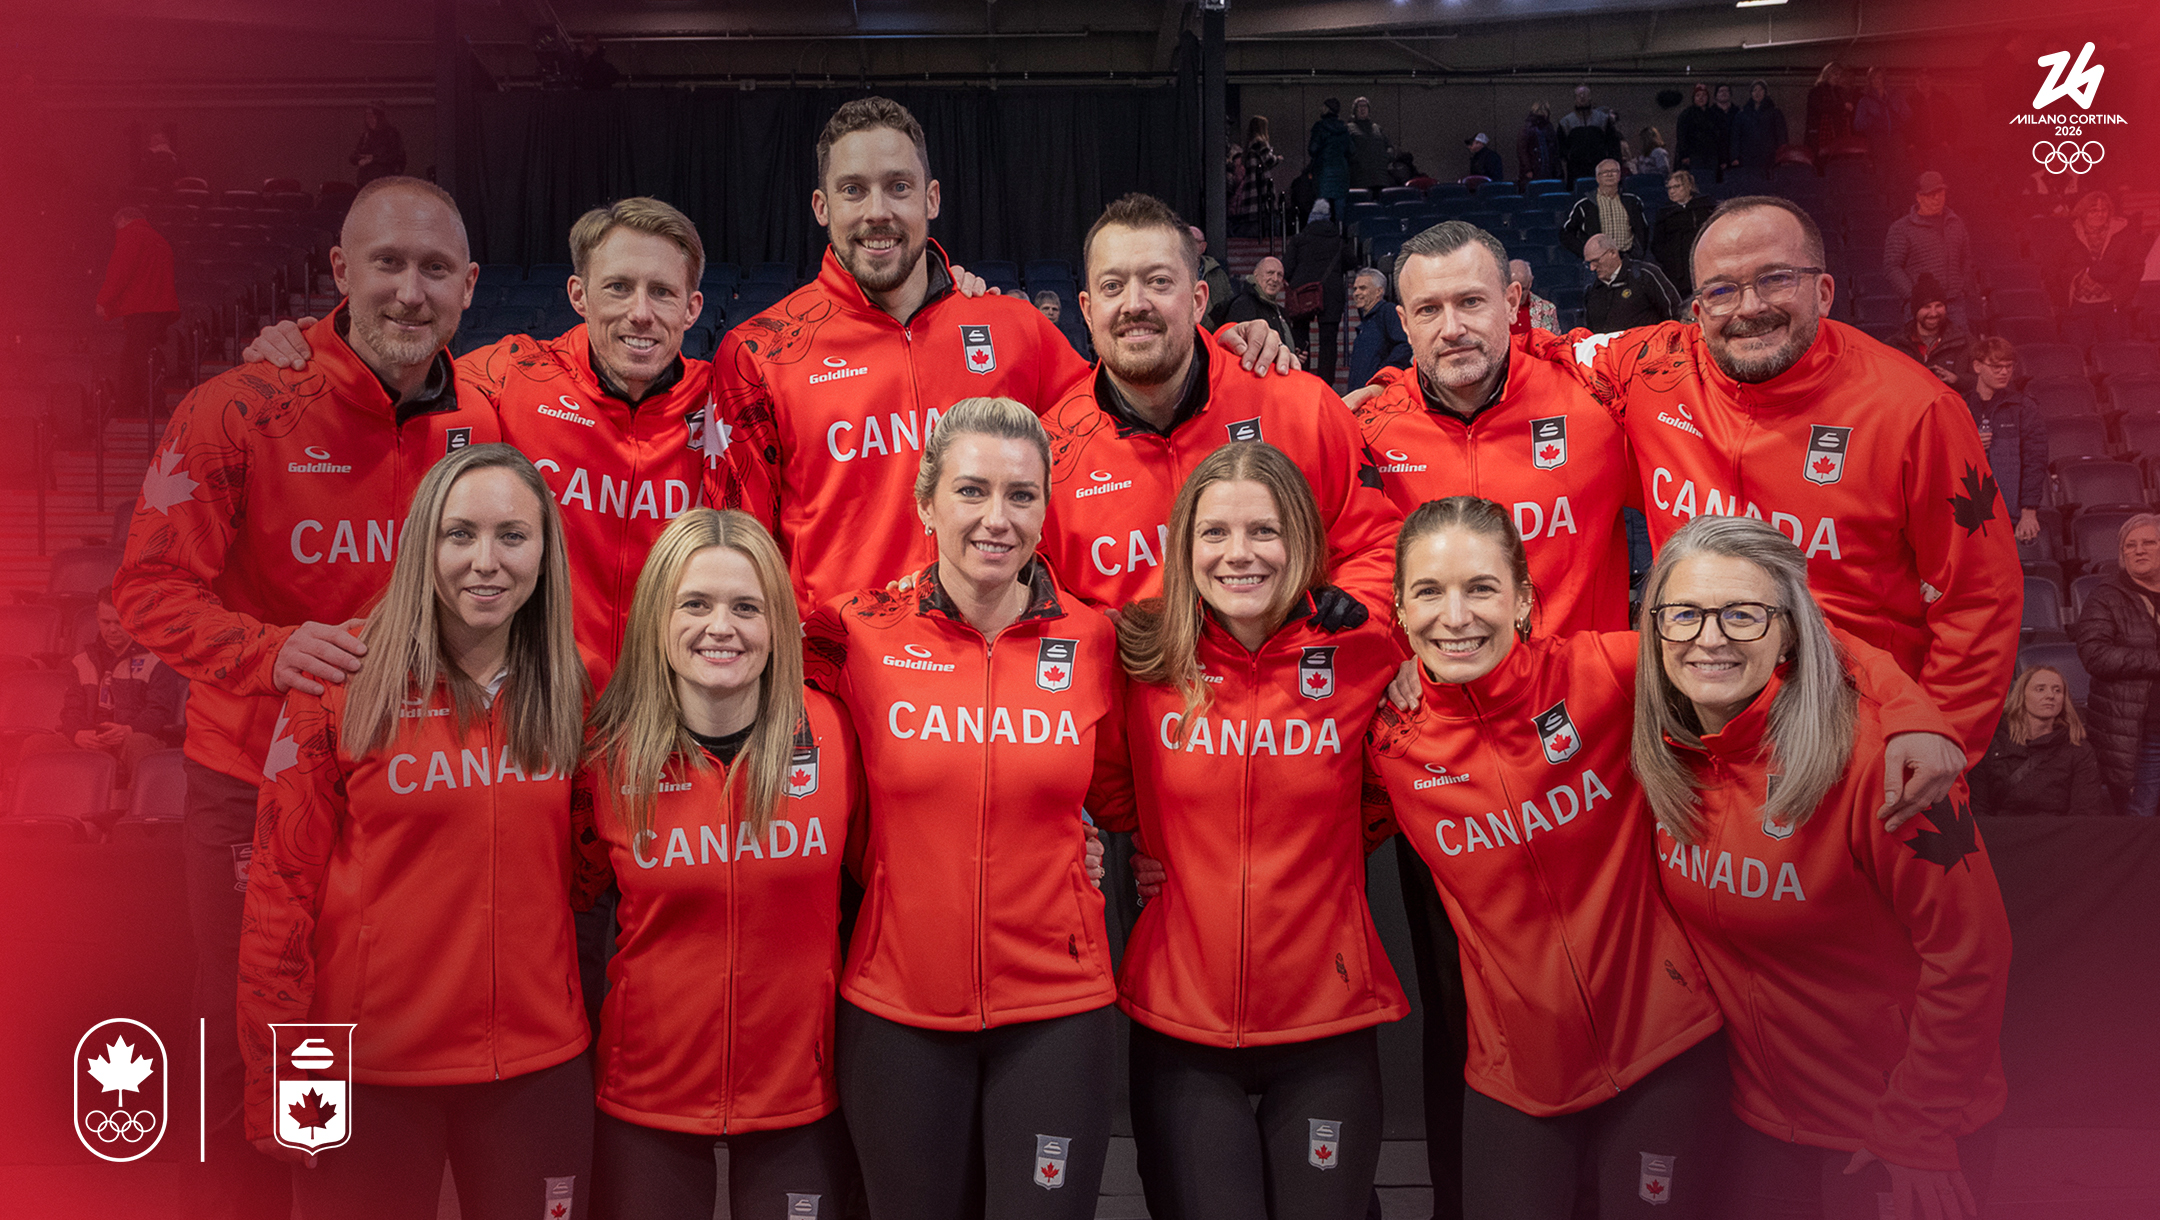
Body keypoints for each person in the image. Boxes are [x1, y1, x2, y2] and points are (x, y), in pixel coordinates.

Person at [1371, 498, 1962, 1220]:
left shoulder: (1604, 674)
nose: (1456, 616)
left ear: (1524, 597)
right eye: (1430, 592)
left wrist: (1915, 712)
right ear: (1399, 609)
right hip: (1514, 1078)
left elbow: (1792, 630)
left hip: (1667, 1056)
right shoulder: (1387, 744)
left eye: (1482, 588)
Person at [114, 174, 501, 1220]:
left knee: (350, 1035)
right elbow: (146, 590)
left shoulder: (491, 415)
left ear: (468, 289)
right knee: (257, 1038)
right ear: (339, 272)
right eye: (386, 264)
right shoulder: (239, 407)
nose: (408, 293)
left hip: (409, 789)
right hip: (251, 779)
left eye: (433, 271)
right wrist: (269, 651)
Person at [709, 97, 1287, 616]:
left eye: (899, 187)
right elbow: (738, 545)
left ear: (932, 198)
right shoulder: (761, 355)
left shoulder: (1011, 330)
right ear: (820, 205)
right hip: (835, 675)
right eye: (853, 189)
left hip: (998, 672)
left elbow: (1130, 415)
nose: (877, 211)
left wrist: (1227, 349)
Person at [237, 444, 593, 1217]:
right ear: (423, 544)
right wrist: (282, 1071)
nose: (485, 562)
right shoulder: (342, 682)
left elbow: (592, 869)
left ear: (544, 552)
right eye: (459, 534)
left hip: (535, 1067)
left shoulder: (575, 683)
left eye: (512, 536)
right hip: (367, 1072)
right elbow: (279, 889)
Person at [803, 397, 1129, 1218]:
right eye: (971, 491)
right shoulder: (853, 633)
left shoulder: (1093, 641)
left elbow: (1126, 790)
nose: (997, 518)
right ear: (925, 504)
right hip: (898, 1005)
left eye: (1021, 495)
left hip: (1058, 1006)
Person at [1635, 514, 2012, 1220]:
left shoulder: (1887, 764)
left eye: (1742, 614)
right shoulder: (1668, 751)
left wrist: (1916, 1126)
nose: (1708, 638)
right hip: (1760, 1126)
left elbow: (1972, 957)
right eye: (1683, 613)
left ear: (1788, 632)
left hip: (1897, 1132)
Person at [1561, 195, 2023, 760]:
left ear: (1824, 292)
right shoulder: (1656, 371)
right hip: (1699, 731)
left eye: (1776, 280)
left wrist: (1942, 736)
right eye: (1721, 290)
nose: (1748, 308)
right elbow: (1538, 357)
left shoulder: (1916, 409)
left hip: (1852, 737)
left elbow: (1981, 595)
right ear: (1698, 308)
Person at [244, 197, 723, 684]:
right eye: (618, 288)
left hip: (666, 698)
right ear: (579, 296)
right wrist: (311, 348)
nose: (640, 313)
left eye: (661, 291)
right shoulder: (512, 373)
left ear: (692, 308)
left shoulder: (730, 400)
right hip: (542, 693)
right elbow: (388, 380)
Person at [1111, 442, 1407, 1218]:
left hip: (1326, 1014)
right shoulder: (1142, 653)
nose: (1239, 554)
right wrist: (1153, 843)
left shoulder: (1364, 653)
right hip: (1183, 1021)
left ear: (1302, 538)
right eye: (1214, 534)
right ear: (1186, 545)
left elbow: (1396, 779)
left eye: (1264, 531)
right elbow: (1105, 775)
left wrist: (1334, 854)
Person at [573, 508, 864, 1217]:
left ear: (777, 624)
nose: (721, 628)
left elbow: (907, 862)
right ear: (656, 619)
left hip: (800, 1097)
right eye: (695, 604)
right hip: (647, 1096)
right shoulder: (604, 757)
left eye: (746, 606)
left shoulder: (834, 736)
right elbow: (558, 902)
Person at [1037, 192, 1401, 614]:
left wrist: (1316, 639)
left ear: (1198, 300)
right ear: (1087, 309)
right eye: (1112, 286)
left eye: (1159, 281)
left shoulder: (1301, 406)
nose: (1134, 305)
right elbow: (1036, 608)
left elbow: (1377, 546)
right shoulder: (1048, 457)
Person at [1353, 221, 1633, 638]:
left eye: (1470, 302)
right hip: (1432, 698)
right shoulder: (1368, 428)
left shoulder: (1597, 405)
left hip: (1580, 695)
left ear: (1510, 302)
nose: (1451, 329)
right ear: (1405, 323)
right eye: (1428, 309)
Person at [19, 586, 184, 785]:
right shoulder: (82, 661)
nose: (111, 629)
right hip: (92, 740)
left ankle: (138, 810)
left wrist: (128, 730)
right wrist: (78, 734)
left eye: (119, 622)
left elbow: (158, 712)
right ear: (97, 617)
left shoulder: (157, 661)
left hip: (132, 739)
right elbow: (71, 710)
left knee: (137, 743)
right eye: (105, 622)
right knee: (35, 745)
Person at [2070, 514, 2160, 817]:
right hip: (2138, 735)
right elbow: (2094, 655)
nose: (2139, 550)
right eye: (2129, 546)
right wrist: (2155, 660)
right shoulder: (2106, 597)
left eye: (2148, 542)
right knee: (2140, 818)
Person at [1969, 666, 2112, 817]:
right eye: (2040, 689)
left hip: (2057, 835)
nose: (2051, 695)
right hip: (2002, 834)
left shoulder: (2078, 748)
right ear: (2022, 695)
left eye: (2057, 690)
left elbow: (2085, 812)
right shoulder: (1992, 742)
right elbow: (1978, 808)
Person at [1962, 338, 2045, 546]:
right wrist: (1971, 446)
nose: (2004, 372)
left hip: (2010, 512)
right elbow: (1942, 459)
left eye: (2009, 367)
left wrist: (2029, 511)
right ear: (1977, 366)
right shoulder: (1959, 406)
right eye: (1997, 366)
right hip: (1966, 513)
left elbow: (2035, 462)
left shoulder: (2023, 407)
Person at [97, 207, 177, 415]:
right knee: (139, 358)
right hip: (158, 310)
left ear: (123, 219)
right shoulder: (159, 240)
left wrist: (103, 301)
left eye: (117, 226)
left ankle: (142, 407)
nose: (117, 232)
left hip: (141, 309)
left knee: (134, 360)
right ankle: (140, 405)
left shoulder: (132, 235)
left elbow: (120, 270)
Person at [2042, 190, 2144, 348]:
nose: (2100, 214)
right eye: (2093, 210)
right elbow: (2051, 268)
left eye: (2104, 210)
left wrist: (2120, 296)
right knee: (2079, 350)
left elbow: (2135, 268)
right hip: (2076, 306)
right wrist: (2062, 298)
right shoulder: (2067, 235)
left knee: (2114, 350)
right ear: (2083, 213)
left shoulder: (2125, 235)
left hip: (2112, 304)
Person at [1884, 171, 1980, 335]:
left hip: (1954, 304)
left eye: (1940, 193)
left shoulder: (1955, 222)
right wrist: (1915, 296)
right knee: (1920, 355)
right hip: (1921, 307)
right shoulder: (1901, 228)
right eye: (1931, 194)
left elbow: (1966, 258)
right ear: (1918, 197)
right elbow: (1892, 267)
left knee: (1961, 353)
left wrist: (1961, 285)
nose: (1937, 198)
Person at [1285, 202, 1354, 387]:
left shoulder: (1299, 240)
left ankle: (1301, 379)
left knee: (1300, 337)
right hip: (1331, 295)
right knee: (1329, 342)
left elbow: (1287, 268)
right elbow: (1352, 261)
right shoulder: (1338, 240)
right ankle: (1325, 385)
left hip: (1302, 294)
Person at [1886, 273, 1975, 396]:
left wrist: (1956, 379)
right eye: (1926, 307)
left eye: (1938, 306)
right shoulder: (1894, 345)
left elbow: (1986, 382)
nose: (1933, 313)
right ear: (1915, 311)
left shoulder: (1966, 342)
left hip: (1951, 410)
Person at [1583, 234, 1683, 332]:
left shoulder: (1645, 275)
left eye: (1596, 261)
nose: (1592, 268)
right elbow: (1590, 330)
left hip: (1648, 345)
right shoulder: (1592, 290)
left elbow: (1674, 310)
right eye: (1588, 263)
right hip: (1607, 347)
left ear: (1613, 253)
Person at [1560, 159, 1648, 260]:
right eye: (1605, 172)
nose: (1609, 175)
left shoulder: (1632, 202)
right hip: (1598, 262)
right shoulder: (1584, 205)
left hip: (1627, 260)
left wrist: (1637, 254)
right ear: (1597, 178)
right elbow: (1566, 234)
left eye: (1614, 171)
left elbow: (1643, 231)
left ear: (1619, 175)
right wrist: (1585, 251)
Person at [1650, 170, 1717, 295]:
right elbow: (1657, 244)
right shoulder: (1664, 213)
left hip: (1703, 262)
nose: (1672, 191)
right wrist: (1669, 260)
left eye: (1677, 186)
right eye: (1669, 188)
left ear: (1688, 186)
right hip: (1676, 269)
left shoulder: (1705, 206)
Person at [1347, 268, 1411, 388]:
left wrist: (1382, 375)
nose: (1356, 293)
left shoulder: (1388, 311)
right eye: (1355, 289)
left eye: (1363, 288)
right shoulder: (1366, 320)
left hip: (1379, 395)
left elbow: (1404, 345)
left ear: (1379, 291)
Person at [1853, 69, 1911, 196]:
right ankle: (1882, 198)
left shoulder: (1896, 96)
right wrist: (1873, 120)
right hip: (1877, 139)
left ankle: (1897, 197)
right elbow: (1858, 124)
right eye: (1873, 78)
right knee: (1882, 168)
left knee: (1898, 166)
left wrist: (1898, 118)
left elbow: (1907, 114)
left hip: (1896, 138)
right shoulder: (1865, 101)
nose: (1876, 81)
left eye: (1879, 78)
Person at [1226, 254, 1297, 350]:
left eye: (1279, 275)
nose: (1275, 279)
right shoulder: (1243, 305)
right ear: (1256, 274)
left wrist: (1294, 354)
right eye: (1270, 273)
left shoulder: (1280, 311)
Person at [1556, 84, 1621, 188]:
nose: (1582, 97)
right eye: (1579, 95)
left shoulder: (1603, 120)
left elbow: (1613, 145)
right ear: (1575, 98)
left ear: (1590, 97)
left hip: (1600, 168)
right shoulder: (1566, 122)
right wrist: (1569, 157)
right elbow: (1560, 147)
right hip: (1575, 170)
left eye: (1585, 95)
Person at [1232, 115, 1283, 238]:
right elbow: (1269, 160)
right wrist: (1279, 159)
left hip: (1251, 191)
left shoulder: (1249, 146)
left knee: (1252, 227)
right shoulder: (1260, 142)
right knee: (1268, 222)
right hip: (1261, 189)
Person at [1308, 98, 1353, 220]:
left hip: (1324, 171)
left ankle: (1322, 235)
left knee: (1321, 208)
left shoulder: (1320, 127)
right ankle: (1340, 234)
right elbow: (1351, 150)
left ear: (1327, 109)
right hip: (1341, 172)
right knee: (1340, 208)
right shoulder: (1344, 128)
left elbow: (1313, 149)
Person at [1732, 81, 1789, 174]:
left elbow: (1782, 136)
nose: (1757, 93)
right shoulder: (1742, 114)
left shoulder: (1775, 112)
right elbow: (1735, 137)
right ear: (1751, 93)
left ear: (1765, 92)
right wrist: (1735, 156)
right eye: (1754, 90)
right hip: (1747, 159)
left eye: (1760, 90)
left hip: (1769, 158)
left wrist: (1783, 157)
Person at [1674, 84, 1725, 180]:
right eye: (1698, 95)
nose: (1701, 98)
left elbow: (1720, 138)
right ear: (1694, 98)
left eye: (1704, 95)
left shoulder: (1714, 115)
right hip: (1694, 156)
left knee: (1711, 180)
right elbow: (1681, 136)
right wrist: (1684, 155)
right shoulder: (1686, 115)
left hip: (1712, 156)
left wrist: (1722, 158)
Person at [348, 103, 405, 186]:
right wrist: (359, 158)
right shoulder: (365, 136)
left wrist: (373, 159)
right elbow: (353, 155)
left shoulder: (391, 134)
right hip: (365, 182)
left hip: (383, 182)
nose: (369, 120)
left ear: (379, 117)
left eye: (372, 116)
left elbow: (396, 156)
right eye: (367, 117)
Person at [1347, 96, 1393, 191]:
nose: (1362, 109)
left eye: (1365, 106)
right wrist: (1357, 160)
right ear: (1354, 110)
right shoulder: (1349, 129)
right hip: (1359, 177)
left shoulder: (1377, 128)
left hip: (1380, 177)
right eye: (1359, 106)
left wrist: (1385, 158)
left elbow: (1389, 147)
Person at [1805, 63, 1853, 151]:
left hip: (1835, 135)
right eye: (1835, 74)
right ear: (1827, 74)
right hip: (1819, 135)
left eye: (1839, 75)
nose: (1837, 77)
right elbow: (1820, 108)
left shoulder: (1838, 92)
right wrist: (1842, 106)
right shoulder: (1816, 92)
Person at [1507, 260, 1559, 336]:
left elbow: (1555, 343)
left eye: (1522, 289)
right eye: (1512, 288)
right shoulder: (1496, 308)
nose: (1517, 293)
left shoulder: (1547, 309)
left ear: (1530, 283)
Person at [1516, 100, 1559, 186]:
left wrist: (1527, 169)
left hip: (1537, 168)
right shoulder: (1548, 127)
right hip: (1543, 168)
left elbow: (1522, 150)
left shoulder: (1527, 128)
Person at [1710, 84, 1742, 173]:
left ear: (1730, 94)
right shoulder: (1709, 114)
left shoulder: (1738, 113)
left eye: (1726, 91)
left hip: (1734, 160)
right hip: (1714, 160)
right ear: (1715, 95)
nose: (1724, 93)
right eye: (1721, 91)